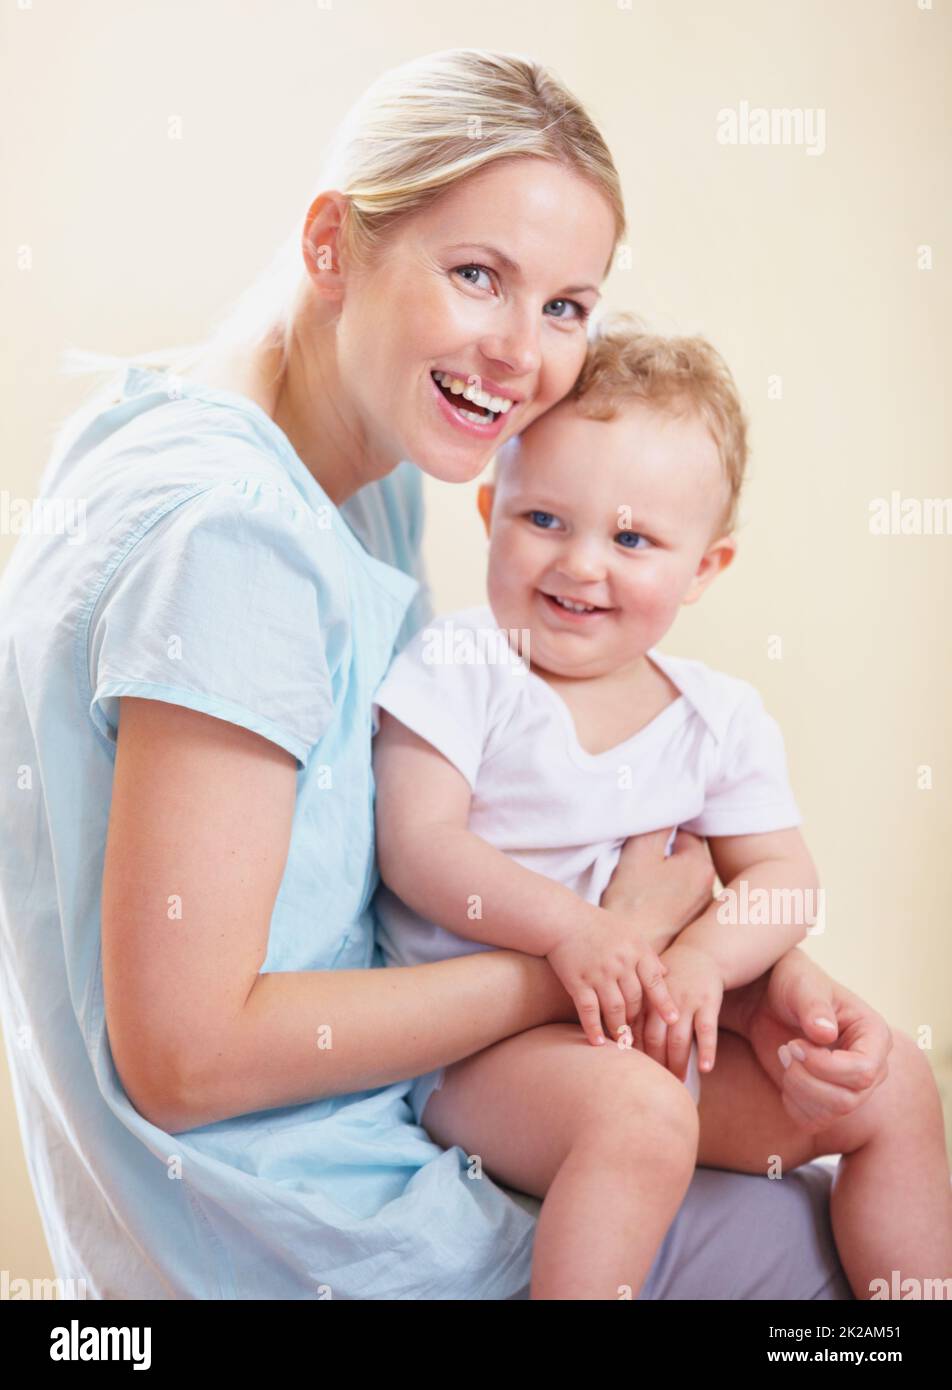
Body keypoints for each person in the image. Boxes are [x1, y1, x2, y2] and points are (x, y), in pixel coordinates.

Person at [0, 47, 890, 1300]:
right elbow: (188, 1057)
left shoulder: (326, 474)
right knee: (811, 1248)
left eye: (567, 305)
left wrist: (736, 965)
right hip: (318, 1228)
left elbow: (431, 840)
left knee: (846, 1129)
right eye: (477, 276)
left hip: (377, 1138)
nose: (521, 355)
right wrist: (599, 947)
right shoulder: (237, 544)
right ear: (331, 247)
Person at [371, 321, 952, 1298]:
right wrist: (573, 930)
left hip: (664, 1041)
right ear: (488, 507)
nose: (581, 564)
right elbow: (416, 846)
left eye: (632, 538)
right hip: (485, 1058)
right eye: (544, 520)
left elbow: (782, 881)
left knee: (897, 1080)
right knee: (639, 1118)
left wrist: (702, 963)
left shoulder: (716, 718)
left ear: (705, 569)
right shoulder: (463, 665)